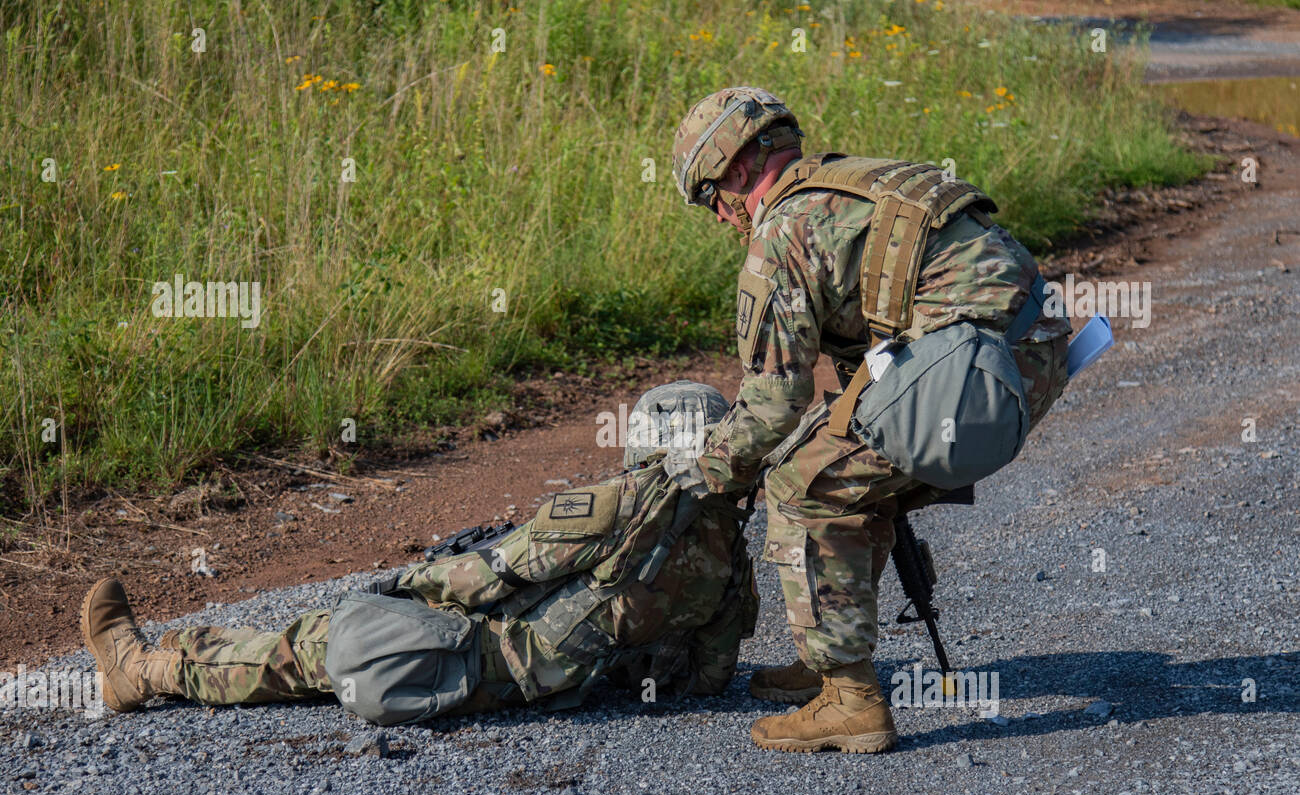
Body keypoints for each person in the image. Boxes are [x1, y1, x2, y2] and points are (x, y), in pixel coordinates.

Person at [667, 87, 1072, 754]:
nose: (718, 216)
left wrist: (707, 472)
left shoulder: (781, 233)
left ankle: (850, 701)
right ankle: (827, 651)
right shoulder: (848, 181)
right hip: (1032, 348)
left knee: (804, 482)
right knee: (845, 462)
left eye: (712, 197)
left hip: (977, 372)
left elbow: (773, 402)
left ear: (739, 169)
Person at [80, 382, 759, 724]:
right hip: (554, 688)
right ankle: (161, 663)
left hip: (474, 660)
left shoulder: (616, 506)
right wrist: (610, 651)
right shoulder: (732, 546)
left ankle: (144, 670)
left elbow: (492, 573)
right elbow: (708, 676)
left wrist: (401, 584)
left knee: (306, 648)